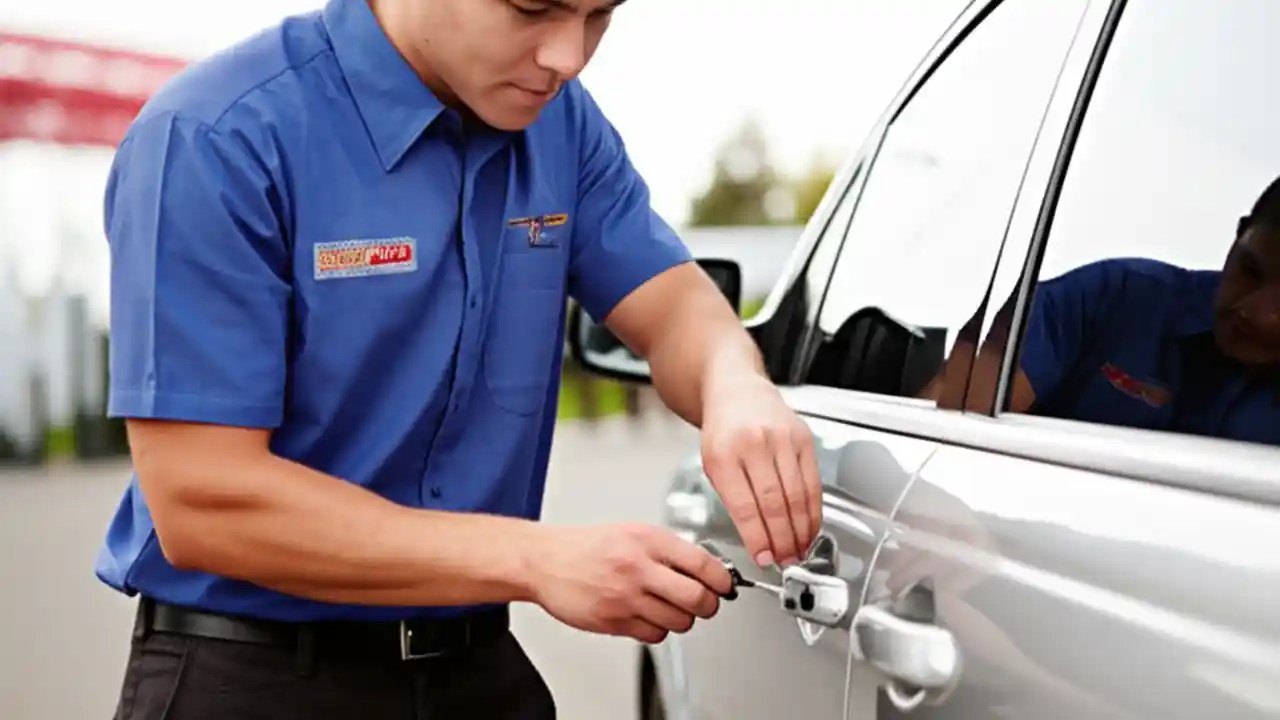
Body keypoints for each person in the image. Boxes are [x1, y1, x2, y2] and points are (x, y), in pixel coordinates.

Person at [98, 1, 823, 718]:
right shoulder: (215, 137)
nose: (567, 56)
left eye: (600, 15)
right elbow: (202, 501)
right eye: (533, 8)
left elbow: (675, 312)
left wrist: (737, 387)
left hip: (476, 675)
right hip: (254, 682)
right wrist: (534, 560)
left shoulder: (561, 125)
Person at [928, 175, 1280, 444]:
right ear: (1237, 236)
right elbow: (942, 428)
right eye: (1249, 270)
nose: (1256, 313)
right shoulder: (1119, 298)